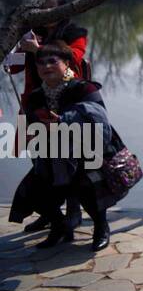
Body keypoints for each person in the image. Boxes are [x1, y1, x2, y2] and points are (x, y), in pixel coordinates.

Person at [9, 42, 121, 251]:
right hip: (53, 153)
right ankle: (59, 226)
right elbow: (32, 125)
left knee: (87, 185)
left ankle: (101, 227)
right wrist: (36, 124)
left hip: (89, 150)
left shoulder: (83, 87)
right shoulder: (35, 96)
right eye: (41, 62)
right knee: (33, 192)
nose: (46, 66)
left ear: (66, 63)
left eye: (53, 61)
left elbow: (98, 117)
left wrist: (64, 121)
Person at [5, 0, 89, 233]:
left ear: (63, 11)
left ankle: (74, 210)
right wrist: (19, 45)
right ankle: (49, 212)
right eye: (44, 8)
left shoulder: (74, 32)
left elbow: (74, 60)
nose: (47, 11)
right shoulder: (33, 32)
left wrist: (38, 50)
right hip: (35, 102)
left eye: (52, 8)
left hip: (65, 103)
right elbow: (12, 67)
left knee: (69, 160)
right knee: (40, 160)